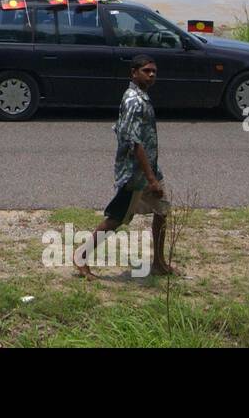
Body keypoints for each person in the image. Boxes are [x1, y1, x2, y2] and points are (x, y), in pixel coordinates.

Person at [74, 55, 176, 279]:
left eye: (154, 71)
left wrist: (153, 174)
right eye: (146, 71)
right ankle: (81, 256)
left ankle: (158, 262)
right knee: (116, 218)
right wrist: (150, 178)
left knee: (162, 211)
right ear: (134, 73)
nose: (151, 75)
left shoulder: (142, 97)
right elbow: (133, 141)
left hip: (149, 171)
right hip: (136, 175)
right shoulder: (133, 100)